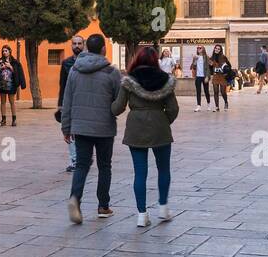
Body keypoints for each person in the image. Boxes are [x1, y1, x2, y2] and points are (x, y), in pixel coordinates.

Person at [113, 45, 179, 227]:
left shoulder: (128, 81)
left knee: (140, 172)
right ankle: (164, 208)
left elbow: (118, 107)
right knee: (164, 169)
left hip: (136, 128)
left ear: (137, 60)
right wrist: (164, 121)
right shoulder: (166, 80)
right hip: (160, 128)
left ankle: (142, 215)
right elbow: (173, 109)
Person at [61, 34, 123, 223]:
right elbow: (118, 103)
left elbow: (67, 100)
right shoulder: (112, 72)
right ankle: (103, 206)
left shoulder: (75, 70)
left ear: (87, 48)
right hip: (104, 127)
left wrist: (66, 127)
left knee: (81, 164)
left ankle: (75, 198)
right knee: (104, 166)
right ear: (103, 49)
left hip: (80, 126)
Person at [57, 34, 85, 170]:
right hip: (70, 102)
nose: (77, 46)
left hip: (85, 102)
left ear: (84, 45)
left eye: (79, 43)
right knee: (71, 131)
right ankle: (74, 160)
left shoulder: (88, 62)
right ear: (71, 45)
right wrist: (60, 104)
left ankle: (84, 158)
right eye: (74, 44)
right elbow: (62, 85)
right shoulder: (66, 63)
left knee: (83, 133)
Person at [0, 45, 26, 127]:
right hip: (2, 84)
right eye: (3, 51)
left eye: (6, 50)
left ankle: (14, 119)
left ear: (10, 51)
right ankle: (3, 120)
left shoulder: (15, 62)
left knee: (12, 102)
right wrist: (0, 68)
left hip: (12, 85)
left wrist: (10, 67)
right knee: (3, 102)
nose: (4, 52)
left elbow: (18, 73)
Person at [191, 45, 209, 110]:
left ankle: (208, 104)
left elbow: (208, 68)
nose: (199, 49)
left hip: (204, 76)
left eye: (200, 48)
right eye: (198, 48)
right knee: (198, 91)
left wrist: (207, 76)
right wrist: (195, 60)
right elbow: (193, 67)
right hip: (198, 76)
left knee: (206, 91)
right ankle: (198, 106)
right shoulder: (196, 57)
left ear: (203, 49)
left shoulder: (206, 57)